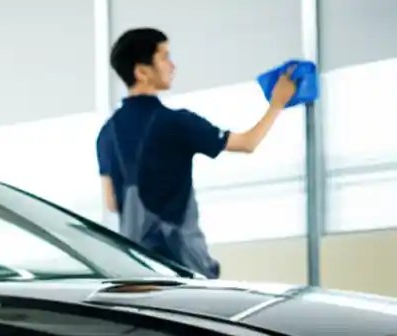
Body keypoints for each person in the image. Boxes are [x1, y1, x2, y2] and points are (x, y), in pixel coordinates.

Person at [97, 27, 298, 278]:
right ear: (141, 72)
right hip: (184, 266)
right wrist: (277, 103)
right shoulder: (176, 122)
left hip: (136, 270)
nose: (172, 65)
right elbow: (248, 142)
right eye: (164, 57)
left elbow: (112, 203)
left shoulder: (106, 134)